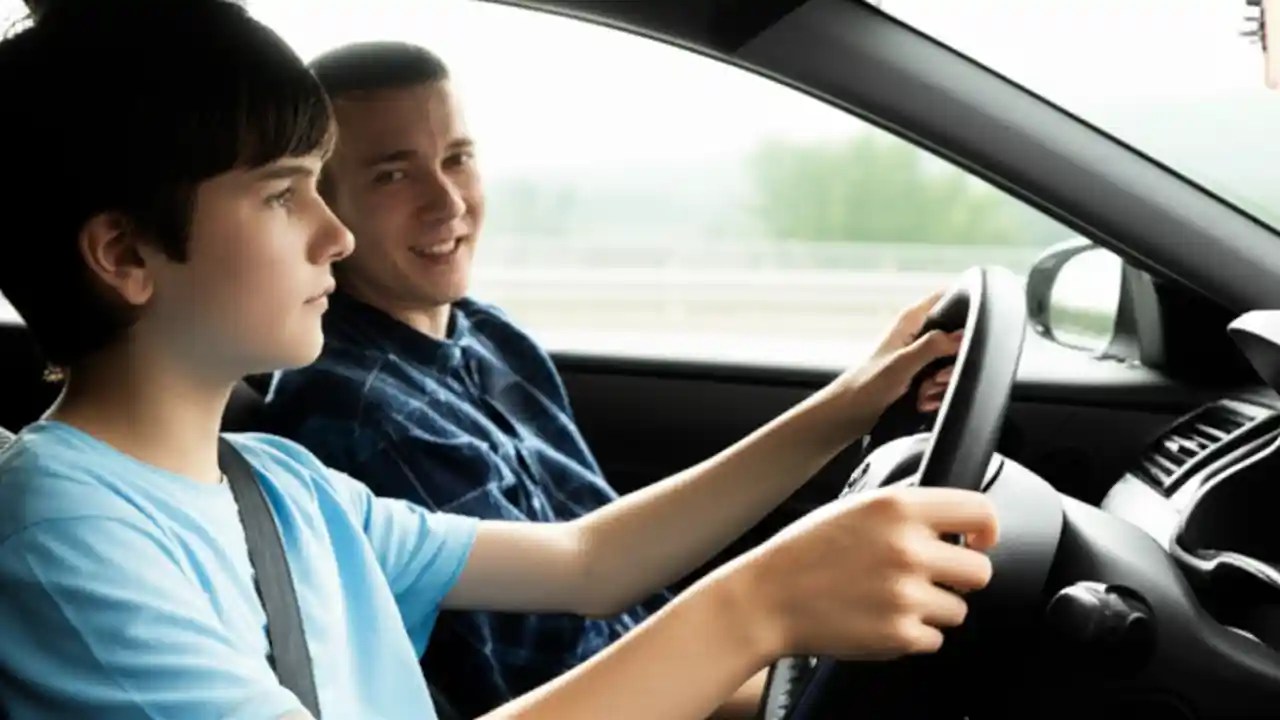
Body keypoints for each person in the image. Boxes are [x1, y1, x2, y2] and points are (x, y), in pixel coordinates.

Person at [0, 2, 998, 719]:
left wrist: (846, 407)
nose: (334, 237)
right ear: (127, 255)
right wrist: (762, 606)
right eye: (279, 195)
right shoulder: (62, 543)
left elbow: (587, 562)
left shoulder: (277, 483)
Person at [262, 41, 956, 717]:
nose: (446, 201)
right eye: (392, 174)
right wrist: (785, 673)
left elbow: (597, 561)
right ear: (328, 207)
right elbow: (557, 671)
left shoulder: (489, 336)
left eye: (458, 159)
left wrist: (853, 403)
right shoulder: (354, 413)